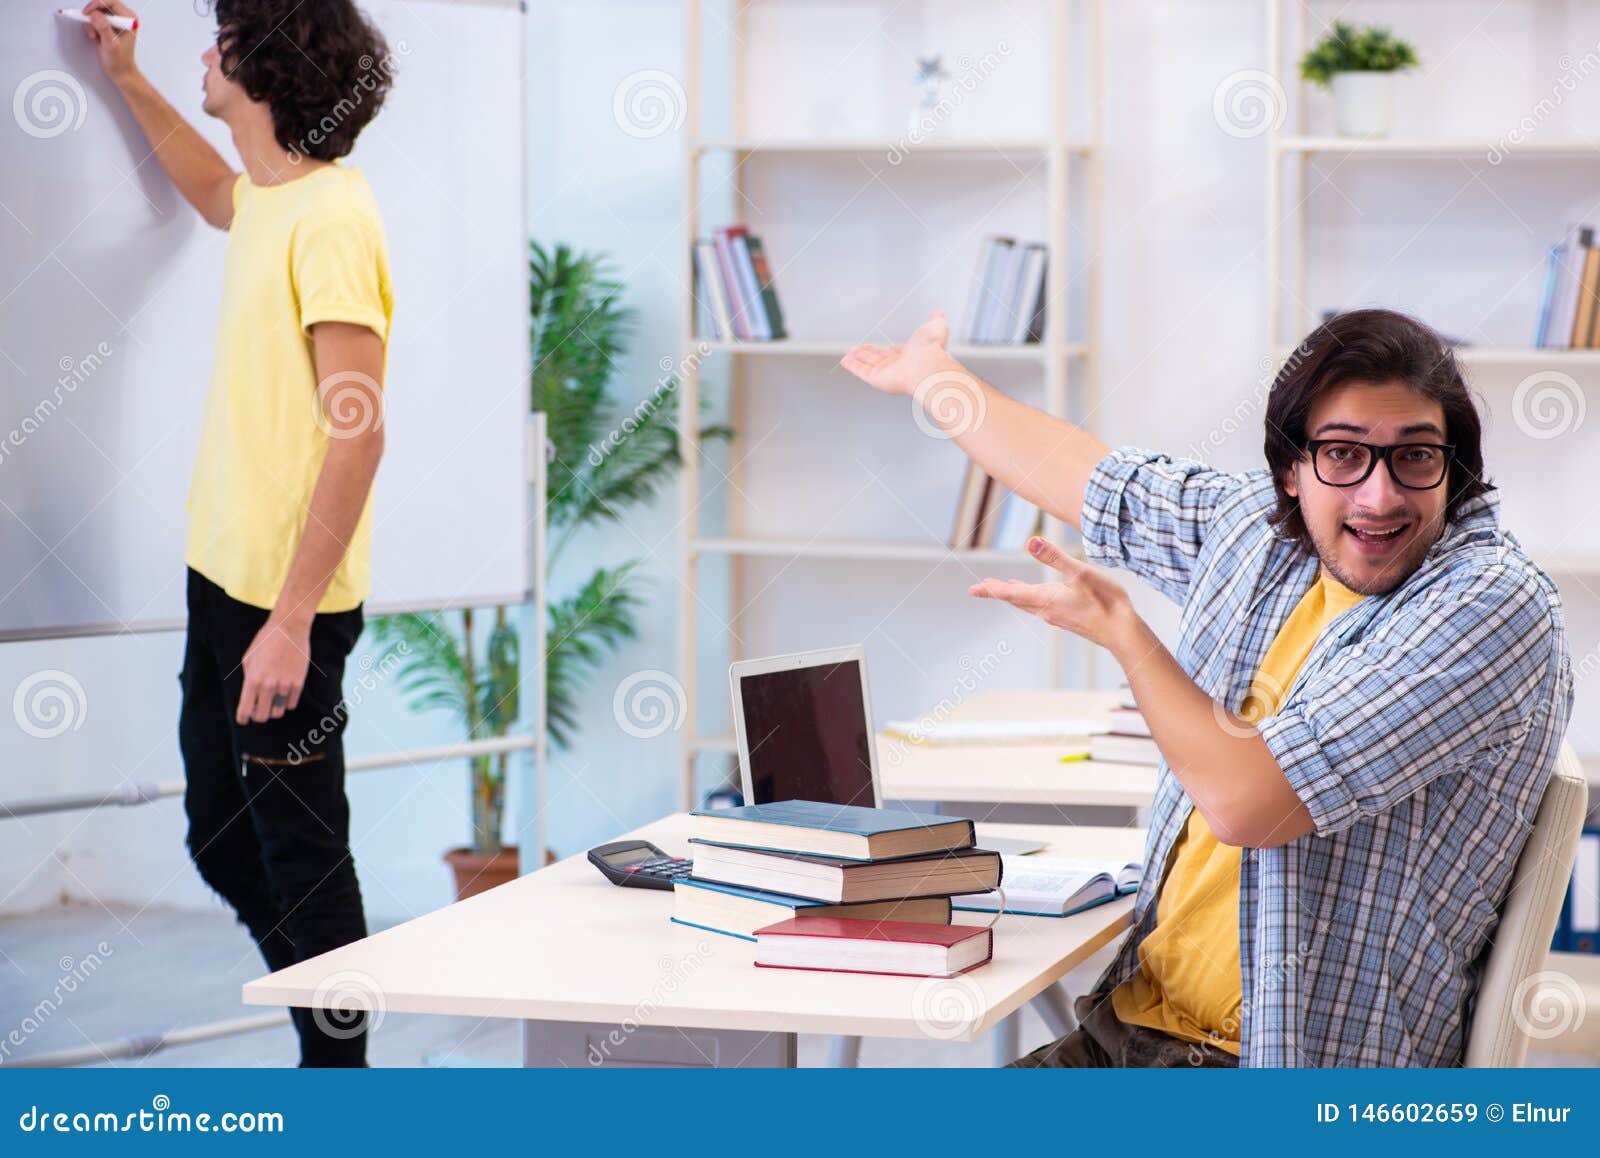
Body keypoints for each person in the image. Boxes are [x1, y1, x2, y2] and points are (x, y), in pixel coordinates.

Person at [842, 307, 1572, 1067]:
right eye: (1344, 455)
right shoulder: (1268, 539)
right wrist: (933, 376)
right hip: (1129, 1032)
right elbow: (1090, 480)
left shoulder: (1487, 603)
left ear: (1453, 467)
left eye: (1415, 457)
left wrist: (1127, 637)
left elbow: (1249, 801)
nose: (1379, 496)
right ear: (1290, 471)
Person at [82, 0, 395, 1066]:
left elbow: (358, 438)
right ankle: (326, 1015)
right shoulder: (272, 199)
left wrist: (294, 622)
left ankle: (339, 1074)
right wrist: (126, 79)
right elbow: (215, 193)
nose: (203, 55)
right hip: (220, 577)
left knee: (302, 852)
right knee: (221, 836)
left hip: (284, 603)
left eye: (219, 40)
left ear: (262, 65)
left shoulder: (335, 220)